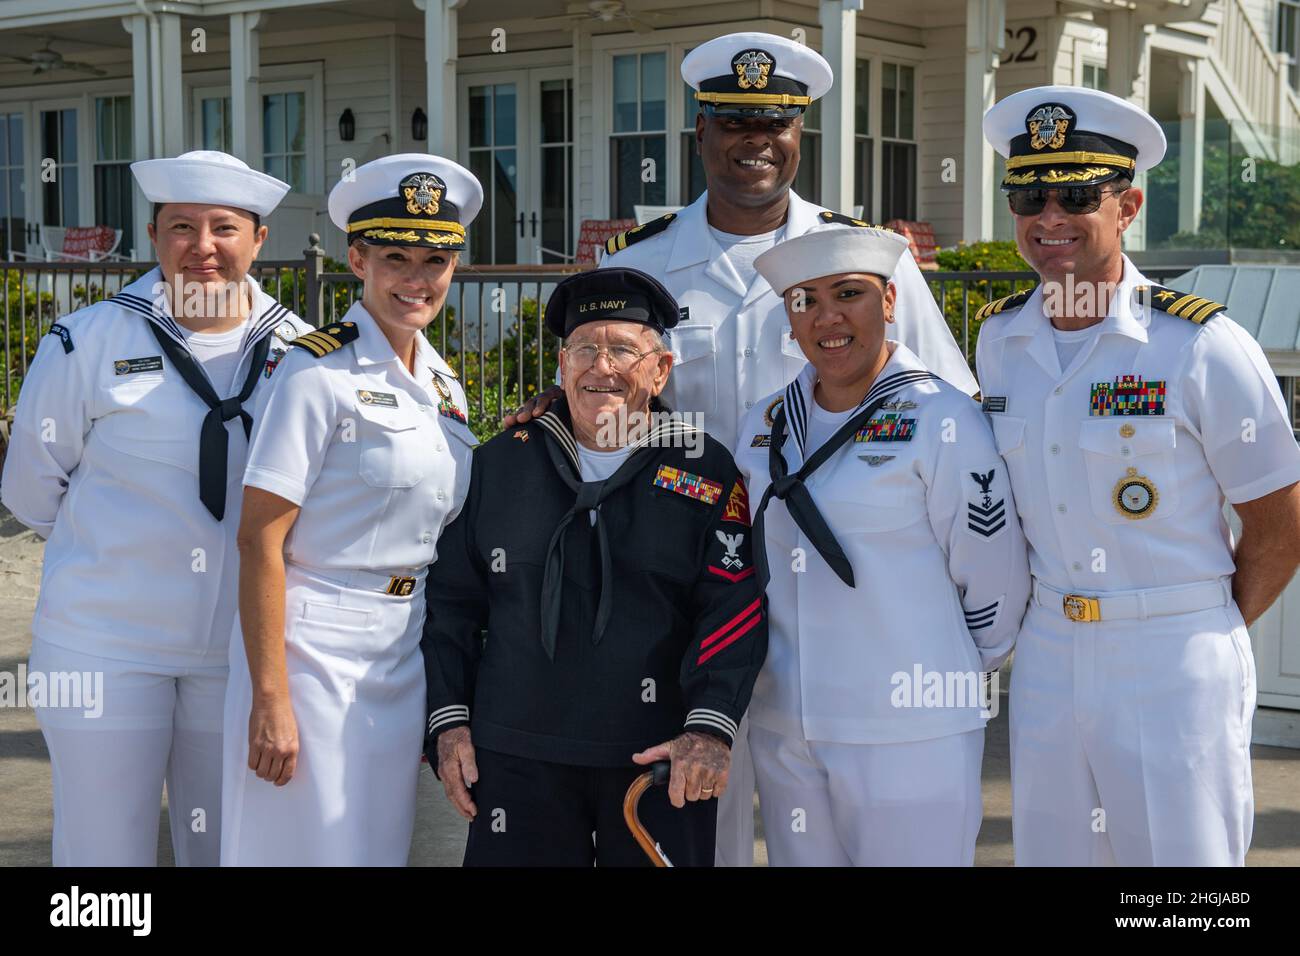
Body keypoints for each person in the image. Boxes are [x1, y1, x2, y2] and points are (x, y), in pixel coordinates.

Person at [508, 30, 977, 867]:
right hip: (682, 592)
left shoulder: (869, 261)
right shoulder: (645, 265)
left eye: (775, 124)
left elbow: (945, 408)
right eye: (733, 124)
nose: (754, 142)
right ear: (700, 136)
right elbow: (604, 398)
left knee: (831, 829)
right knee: (693, 829)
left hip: (836, 597)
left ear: (799, 136)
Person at [978, 85, 1300, 866]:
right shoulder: (998, 340)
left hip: (1172, 653)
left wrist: (1198, 625)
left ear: (1128, 206)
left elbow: (1279, 519)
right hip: (1049, 652)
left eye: (1078, 194)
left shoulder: (1198, 345)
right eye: (1029, 194)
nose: (1049, 216)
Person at [0, 150, 306, 865]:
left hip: (240, 649)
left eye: (224, 227)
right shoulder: (88, 341)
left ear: (259, 240)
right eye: (181, 227)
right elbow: (29, 489)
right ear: (154, 235)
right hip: (105, 642)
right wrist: (117, 549)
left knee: (227, 842)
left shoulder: (300, 351)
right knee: (103, 847)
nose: (202, 247)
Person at [421, 267, 768, 866]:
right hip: (516, 759)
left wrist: (710, 729)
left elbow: (733, 608)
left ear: (660, 371)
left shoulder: (704, 468)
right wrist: (448, 723)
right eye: (586, 348)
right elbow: (447, 603)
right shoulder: (500, 464)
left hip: (659, 763)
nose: (601, 367)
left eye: (624, 351)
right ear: (561, 364)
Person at [734, 223, 1029, 865]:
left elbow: (994, 575)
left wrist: (942, 673)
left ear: (890, 303)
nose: (827, 317)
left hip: (908, 727)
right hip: (788, 724)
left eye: (848, 294)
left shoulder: (942, 419)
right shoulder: (762, 422)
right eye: (804, 300)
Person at [221, 154, 480, 866]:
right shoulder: (313, 371)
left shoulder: (441, 380)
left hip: (402, 648)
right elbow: (258, 541)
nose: (416, 279)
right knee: (305, 848)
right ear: (357, 258)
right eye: (395, 257)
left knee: (374, 848)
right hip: (313, 652)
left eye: (435, 260)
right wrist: (271, 697)